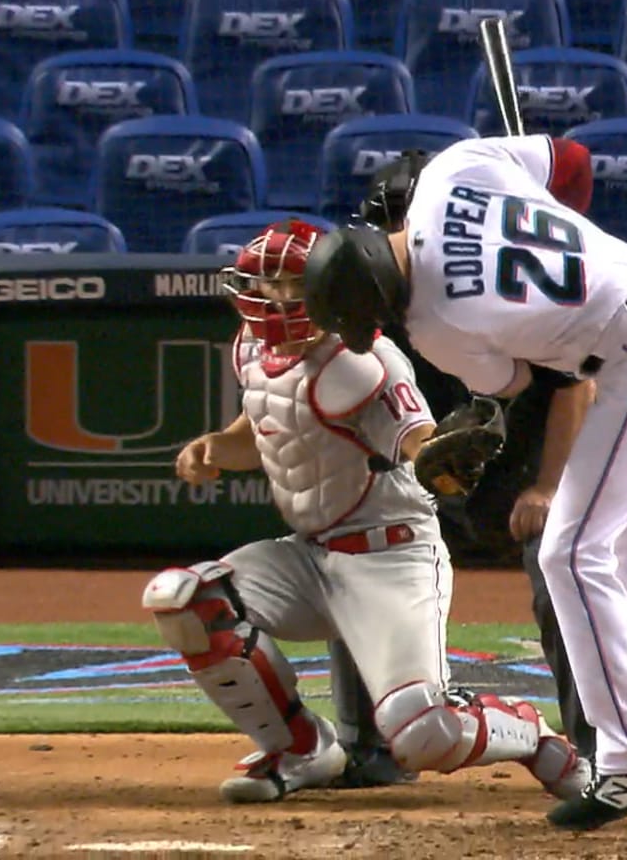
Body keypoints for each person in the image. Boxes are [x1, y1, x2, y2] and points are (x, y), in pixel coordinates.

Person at [297, 135, 627, 830]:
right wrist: (560, 221)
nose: (380, 326)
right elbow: (575, 163)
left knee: (572, 552)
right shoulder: (451, 169)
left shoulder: (434, 325)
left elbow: (515, 381)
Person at [141, 218, 590, 804]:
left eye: (288, 286)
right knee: (185, 600)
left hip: (390, 557)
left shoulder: (362, 360)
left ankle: (533, 737)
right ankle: (302, 749)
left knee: (421, 734)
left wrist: (441, 452)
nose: (272, 298)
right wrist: (215, 448)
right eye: (265, 284)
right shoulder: (252, 348)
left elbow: (415, 438)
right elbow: (262, 428)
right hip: (310, 557)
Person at [333, 152, 599, 768]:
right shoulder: (370, 297)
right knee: (357, 553)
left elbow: (576, 384)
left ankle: (600, 746)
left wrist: (549, 487)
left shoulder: (508, 278)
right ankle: (366, 745)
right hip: (423, 475)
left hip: (523, 472)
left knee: (562, 570)